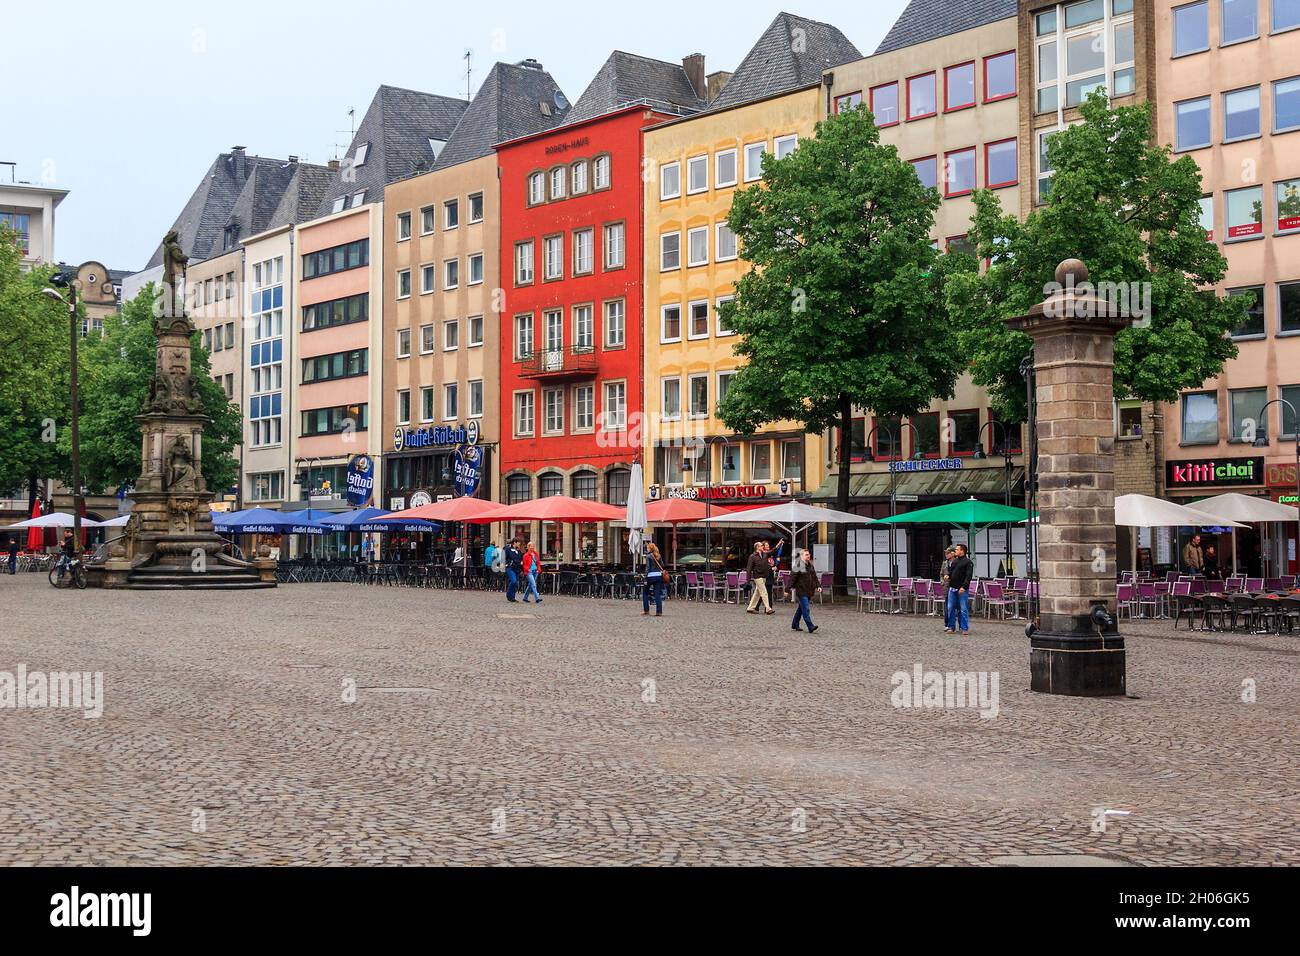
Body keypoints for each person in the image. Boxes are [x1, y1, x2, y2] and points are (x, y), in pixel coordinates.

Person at [946, 543, 974, 636]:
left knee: (963, 609)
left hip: (962, 589)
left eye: (957, 550)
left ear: (962, 551)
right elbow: (951, 572)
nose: (955, 551)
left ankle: (964, 628)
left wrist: (964, 587)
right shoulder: (954, 561)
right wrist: (948, 576)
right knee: (950, 608)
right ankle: (951, 627)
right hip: (952, 588)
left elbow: (968, 576)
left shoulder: (968, 562)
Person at [790, 549, 820, 633]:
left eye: (809, 554)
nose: (808, 556)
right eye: (806, 555)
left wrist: (818, 586)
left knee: (801, 609)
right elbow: (792, 578)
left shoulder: (810, 565)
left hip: (809, 590)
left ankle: (795, 624)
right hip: (801, 590)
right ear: (802, 556)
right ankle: (810, 626)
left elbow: (814, 577)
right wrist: (787, 590)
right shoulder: (798, 565)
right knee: (806, 608)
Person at [746, 542, 772, 614]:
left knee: (757, 593)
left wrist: (779, 544)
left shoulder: (764, 554)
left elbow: (773, 551)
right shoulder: (752, 556)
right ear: (757, 547)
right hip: (757, 576)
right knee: (764, 592)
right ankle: (768, 608)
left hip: (764, 576)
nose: (763, 546)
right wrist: (747, 580)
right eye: (761, 545)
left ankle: (750, 608)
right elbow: (749, 569)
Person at [642, 542, 667, 616]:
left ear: (650, 549)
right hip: (658, 576)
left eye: (647, 548)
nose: (647, 549)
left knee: (645, 592)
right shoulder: (658, 555)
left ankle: (646, 610)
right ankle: (659, 612)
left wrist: (646, 578)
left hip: (650, 576)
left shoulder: (648, 556)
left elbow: (648, 568)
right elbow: (662, 565)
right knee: (657, 594)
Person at [940, 547, 957, 630]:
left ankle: (960, 625)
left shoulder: (957, 562)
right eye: (945, 553)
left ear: (953, 553)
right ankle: (947, 624)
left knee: (958, 607)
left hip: (955, 586)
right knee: (947, 607)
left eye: (948, 553)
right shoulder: (944, 563)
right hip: (946, 587)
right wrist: (942, 582)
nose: (946, 555)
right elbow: (941, 574)